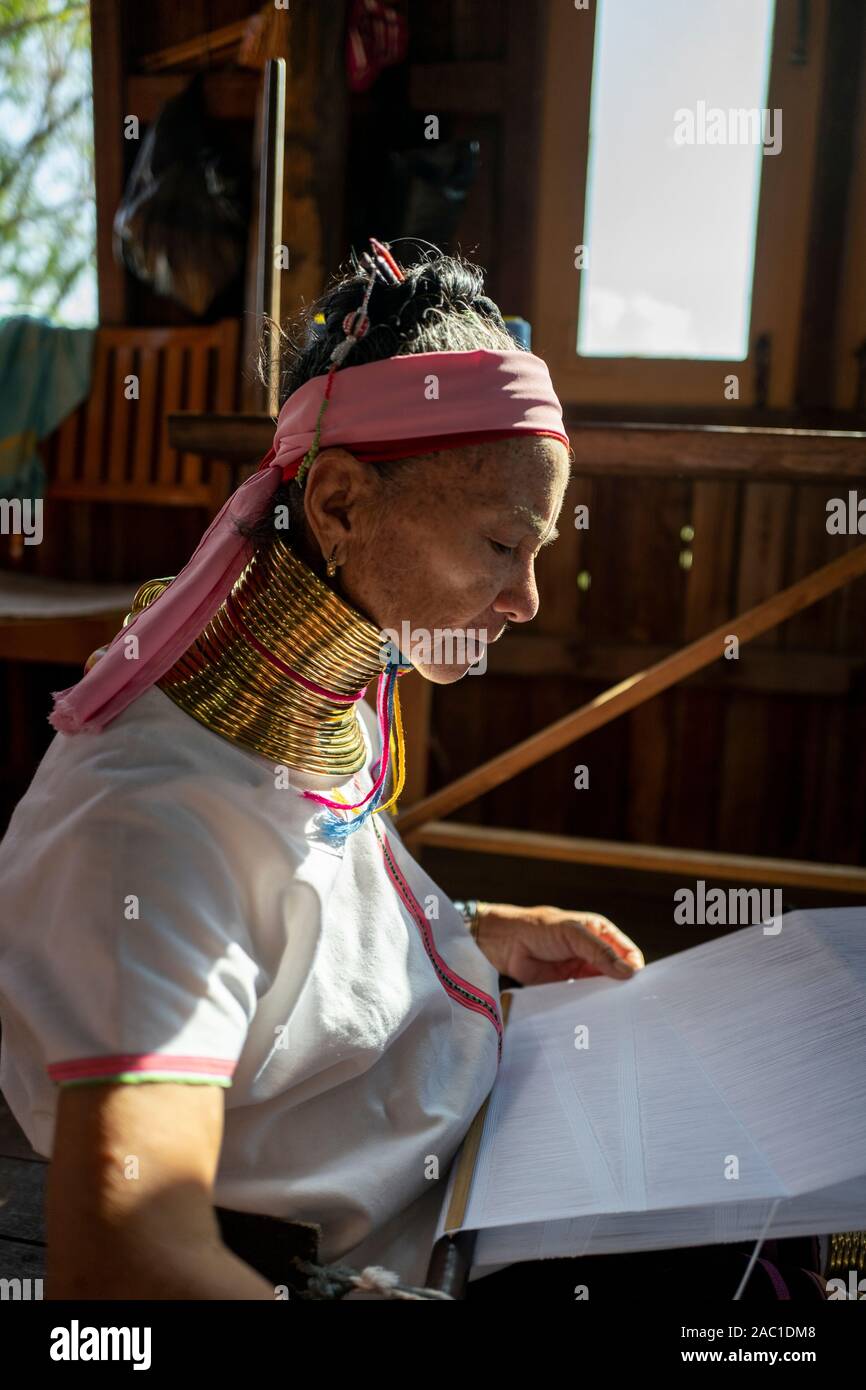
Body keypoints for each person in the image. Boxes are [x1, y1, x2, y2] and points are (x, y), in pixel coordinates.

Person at [0, 242, 649, 1300]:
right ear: (342, 505)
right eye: (499, 545)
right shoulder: (149, 824)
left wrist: (471, 932)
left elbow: (295, 954)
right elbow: (122, 1262)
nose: (525, 599)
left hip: (477, 1165)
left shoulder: (318, 709)